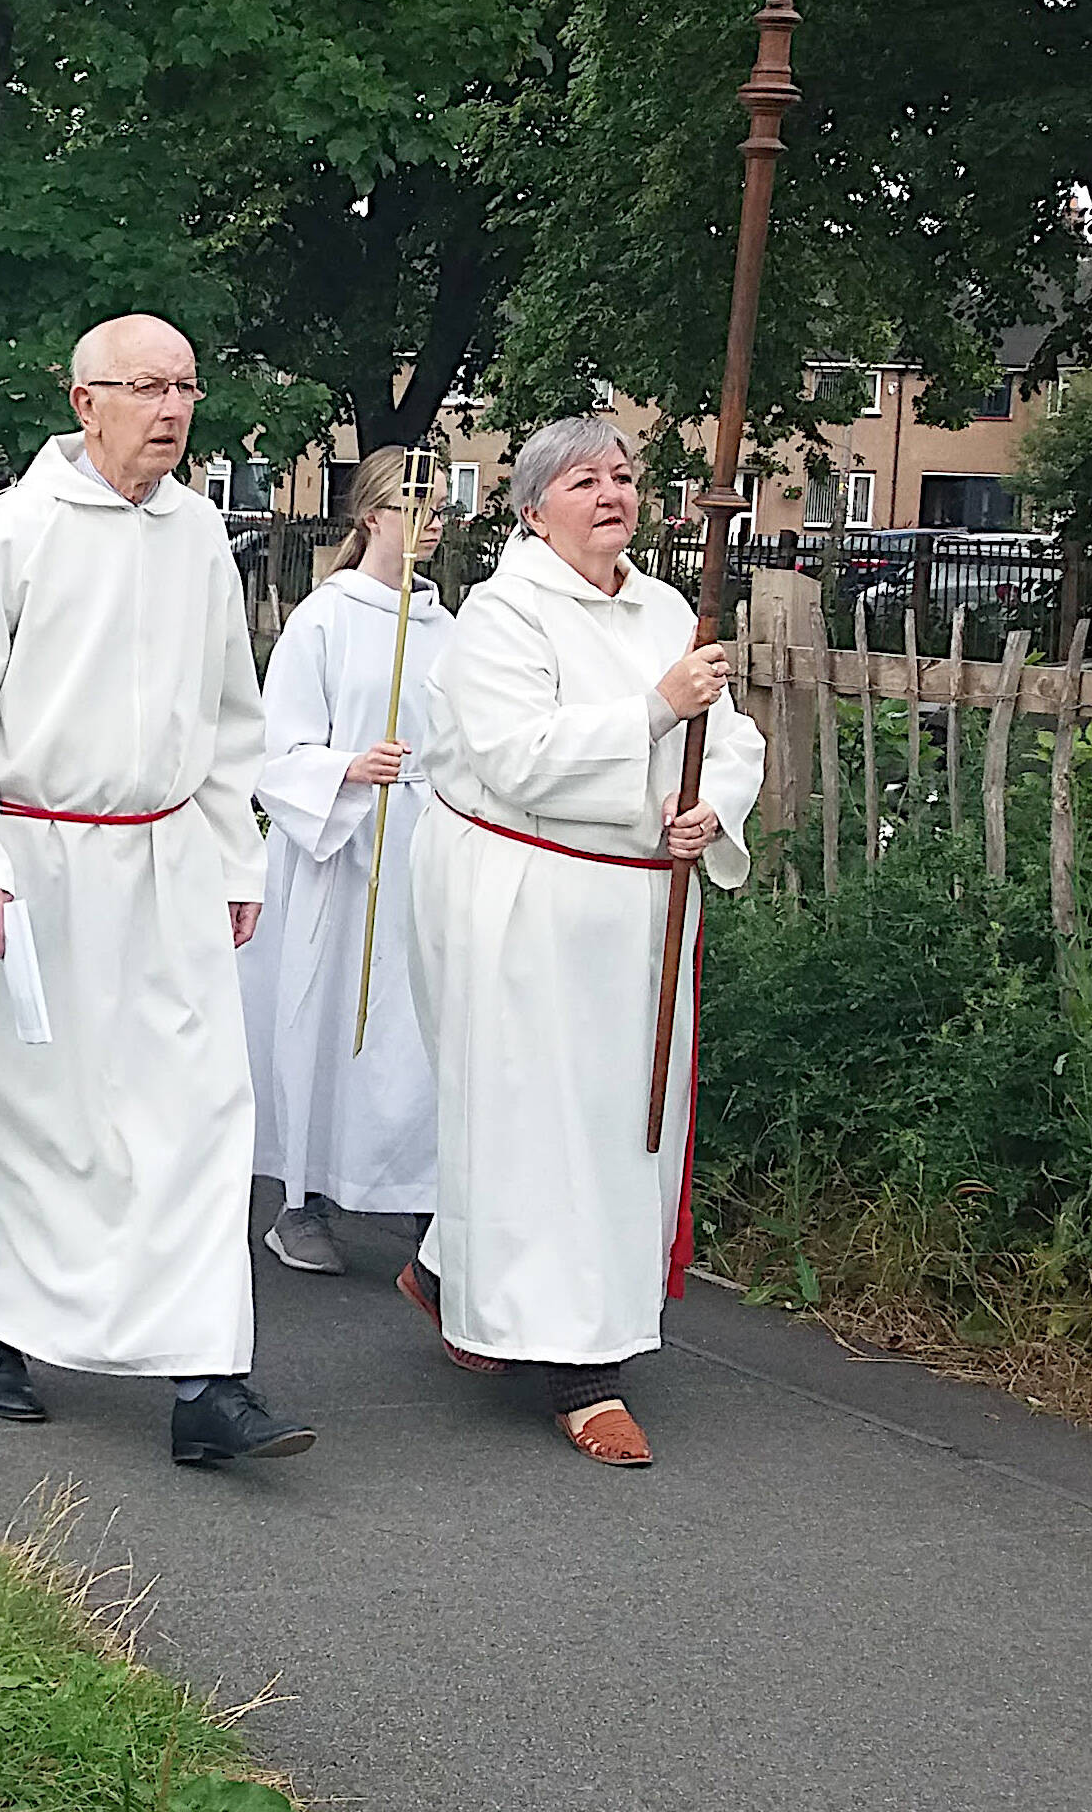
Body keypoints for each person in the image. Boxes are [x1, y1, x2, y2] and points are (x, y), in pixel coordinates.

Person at [0, 313, 313, 1470]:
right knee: (37, 1114)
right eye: (145, 387)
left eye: (185, 387)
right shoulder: (17, 531)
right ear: (84, 402)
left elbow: (229, 716)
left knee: (198, 1110)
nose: (171, 409)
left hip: (164, 859)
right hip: (34, 862)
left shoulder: (198, 533)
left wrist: (232, 856)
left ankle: (208, 1375)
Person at [403, 416, 763, 1469]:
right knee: (540, 1119)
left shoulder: (663, 608)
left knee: (617, 1124)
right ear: (529, 509)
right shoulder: (500, 615)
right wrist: (656, 712)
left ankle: (446, 1266)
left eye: (621, 475)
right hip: (528, 893)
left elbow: (728, 737)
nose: (609, 492)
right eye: (580, 479)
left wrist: (706, 809)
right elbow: (516, 758)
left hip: (638, 898)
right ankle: (576, 1366)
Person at [237, 447, 452, 1280]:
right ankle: (303, 1200)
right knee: (327, 1016)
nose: (431, 524)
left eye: (438, 511)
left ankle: (422, 1192)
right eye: (416, 507)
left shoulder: (449, 627)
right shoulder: (325, 619)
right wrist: (345, 770)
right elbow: (276, 743)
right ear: (372, 517)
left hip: (423, 850)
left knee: (416, 1024)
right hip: (341, 853)